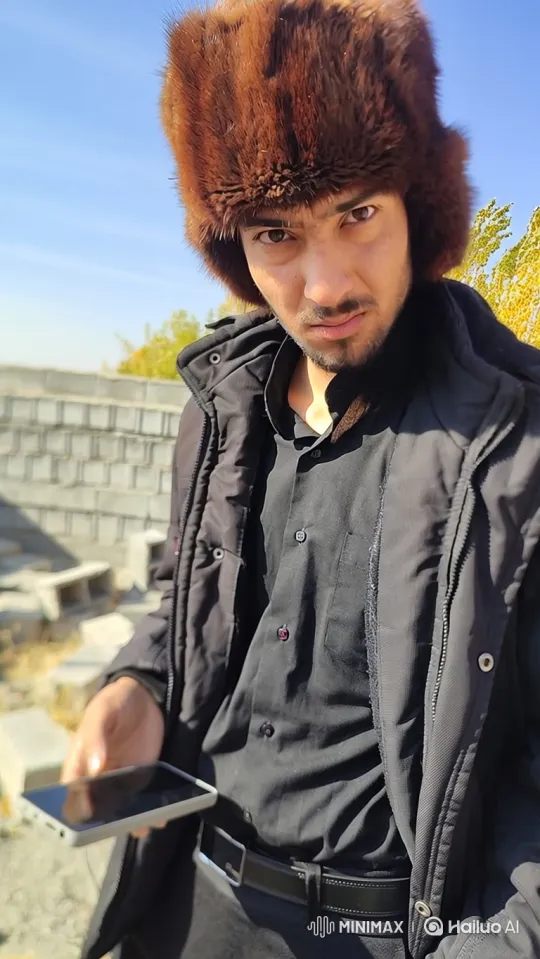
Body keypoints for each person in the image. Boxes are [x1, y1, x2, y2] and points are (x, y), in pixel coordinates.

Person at [63, 1, 540, 957]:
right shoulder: (222, 408)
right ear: (233, 249)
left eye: (357, 214)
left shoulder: (513, 442)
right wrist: (137, 682)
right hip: (189, 892)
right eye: (276, 233)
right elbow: (187, 595)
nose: (323, 285)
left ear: (417, 208)